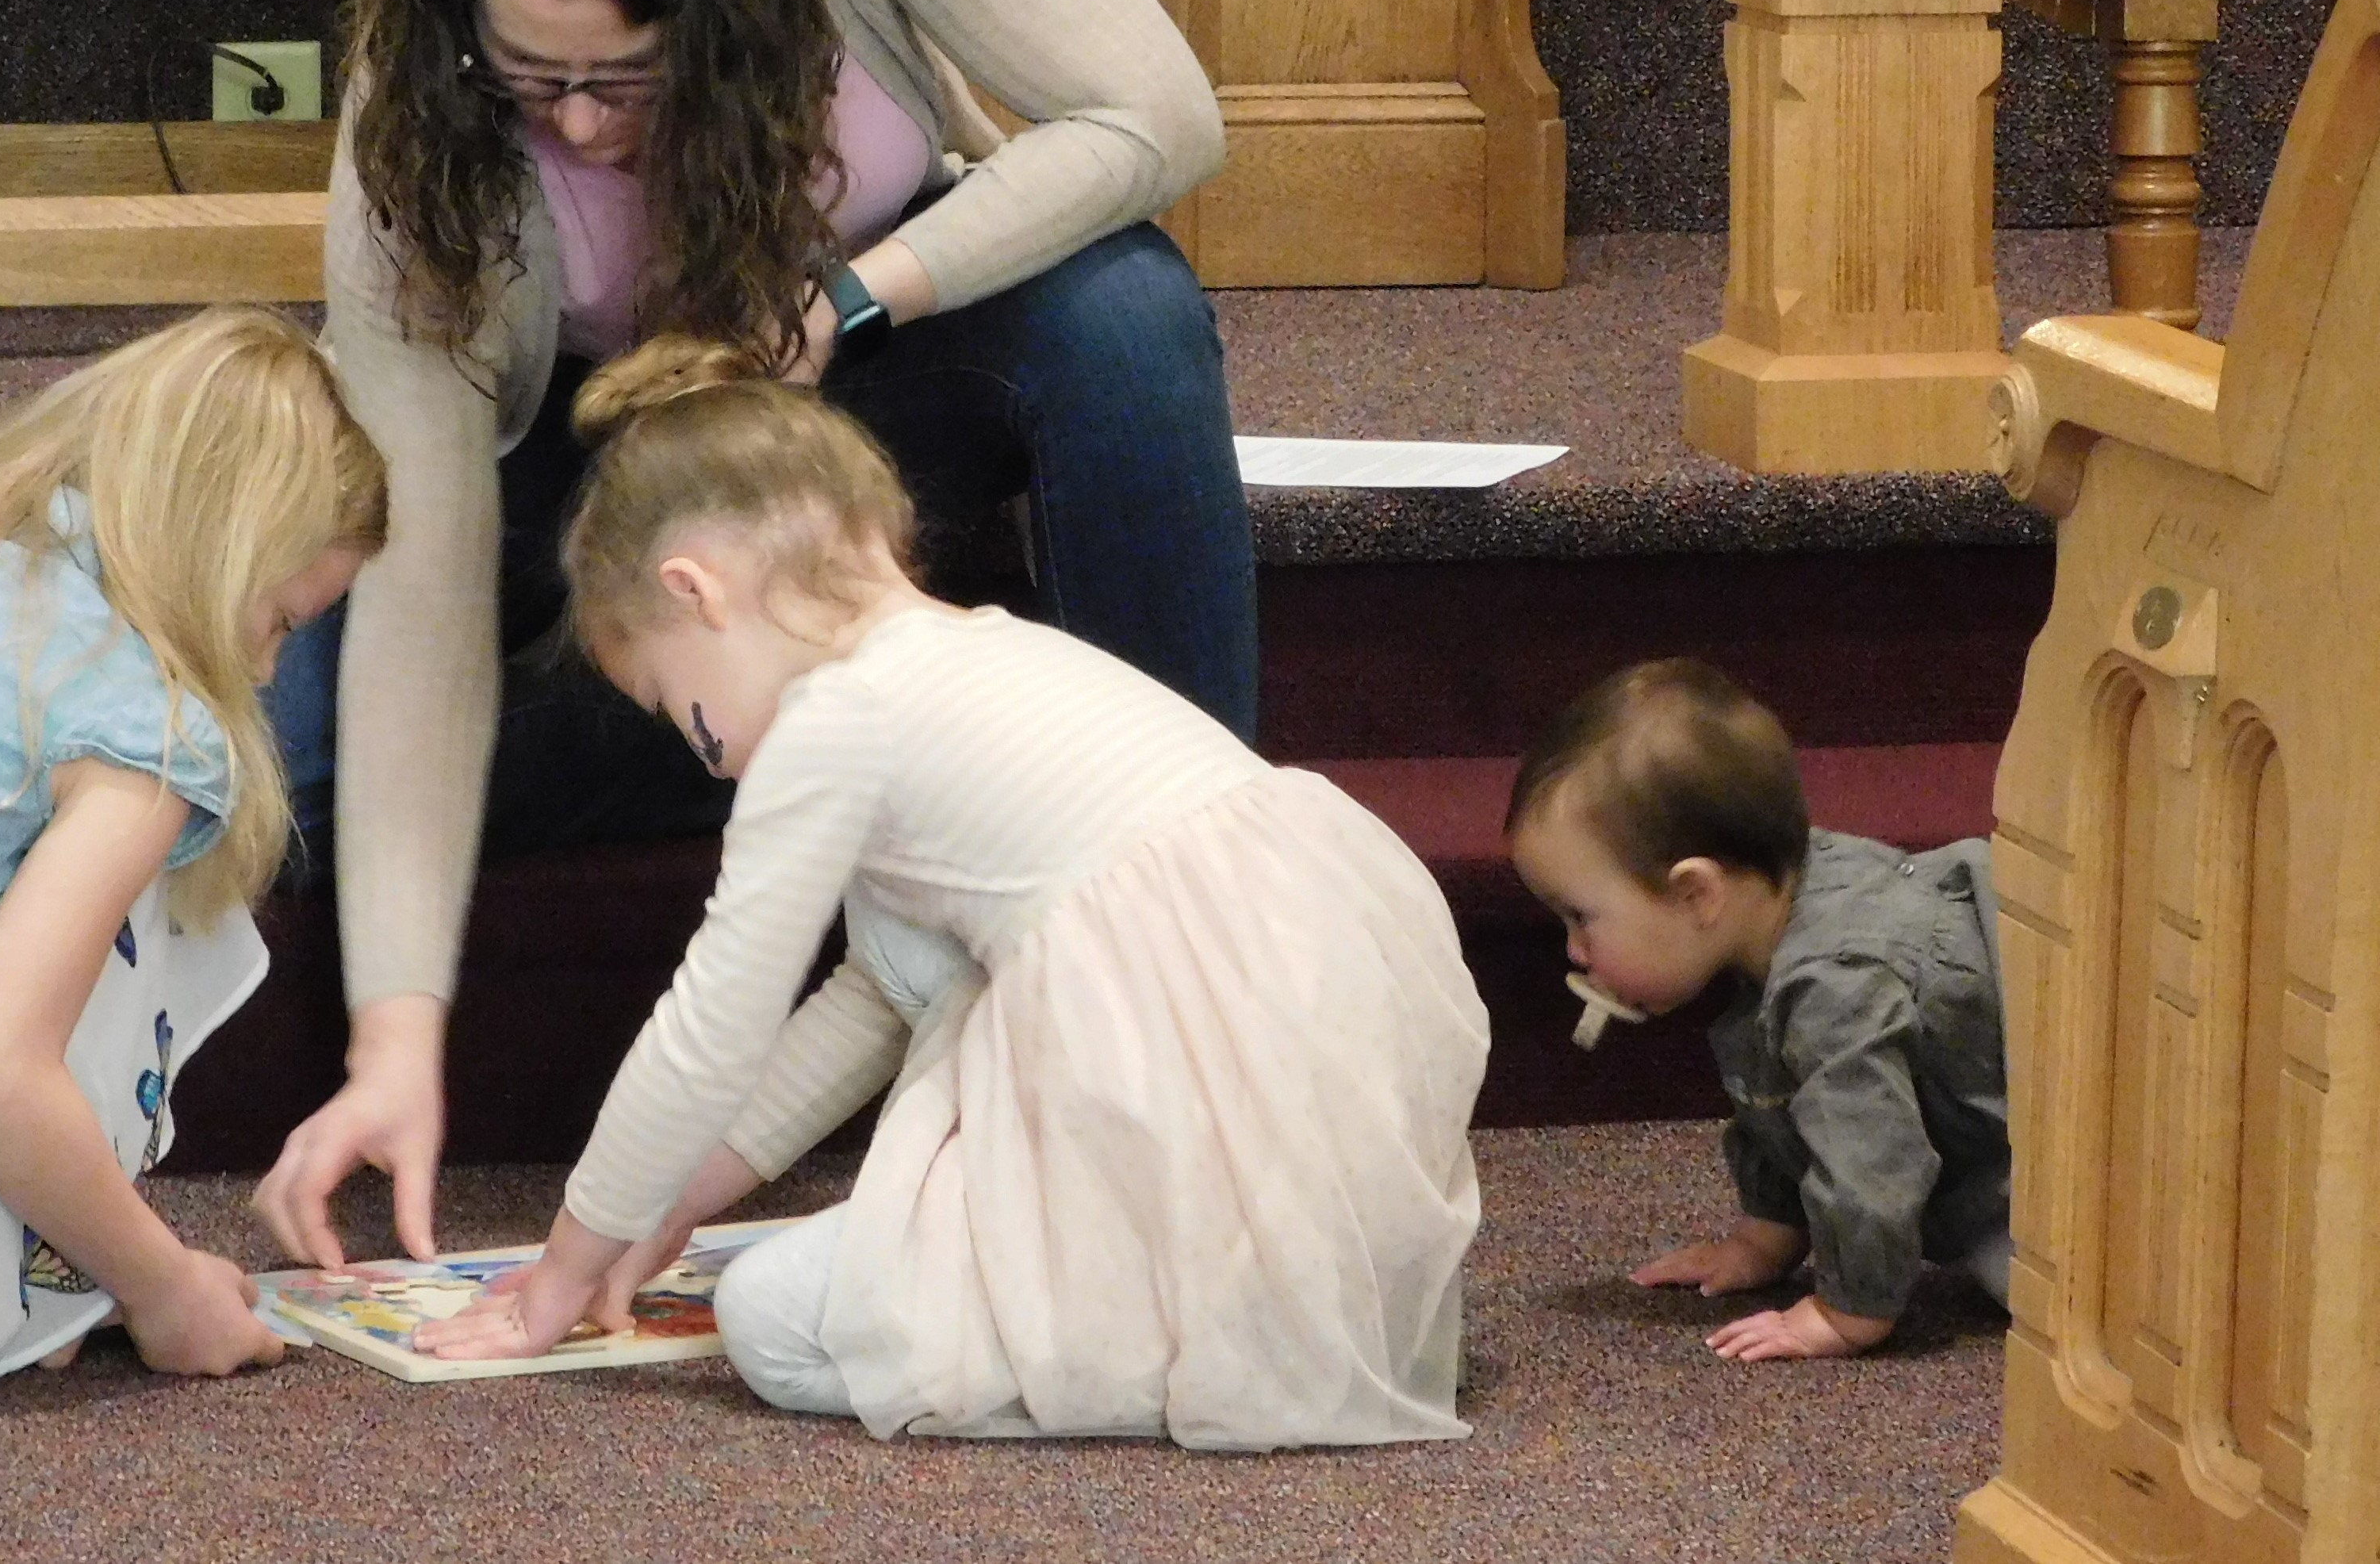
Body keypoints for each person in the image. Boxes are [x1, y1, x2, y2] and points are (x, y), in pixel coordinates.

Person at [261, 0, 1255, 1271]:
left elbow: (1154, 113)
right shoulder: (417, 117)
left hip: (844, 372)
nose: (579, 125)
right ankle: (848, 724)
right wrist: (398, 1040)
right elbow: (430, 569)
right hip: (572, 488)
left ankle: (1184, 884)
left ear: (722, 11)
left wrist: (846, 304)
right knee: (293, 796)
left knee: (1119, 317)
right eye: (528, 78)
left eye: (624, 79)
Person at [405, 340, 1485, 1449]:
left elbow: (707, 1029)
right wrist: (663, 1208)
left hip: (1202, 1091)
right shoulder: (982, 657)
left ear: (697, 591)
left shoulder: (831, 726)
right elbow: (879, 991)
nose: (713, 760)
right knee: (916, 1057)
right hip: (1306, 1078)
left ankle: (1150, 1336)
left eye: (686, 712)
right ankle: (1221, 1301)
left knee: (773, 1320)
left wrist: (565, 1262)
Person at [0, 309, 388, 1409]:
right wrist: (162, 1285)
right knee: (167, 902)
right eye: (277, 620)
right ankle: (30, 1282)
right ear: (223, 558)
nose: (267, 672)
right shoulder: (149, 721)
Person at [1503, 659, 2011, 1363]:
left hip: (2050, 1181)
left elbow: (1870, 1158)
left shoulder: (1834, 985)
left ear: (1696, 894)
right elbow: (1779, 1090)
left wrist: (1846, 1311)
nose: (1575, 950)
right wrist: (1764, 1238)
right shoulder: (1777, 901)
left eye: (1581, 917)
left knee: (2039, 1285)